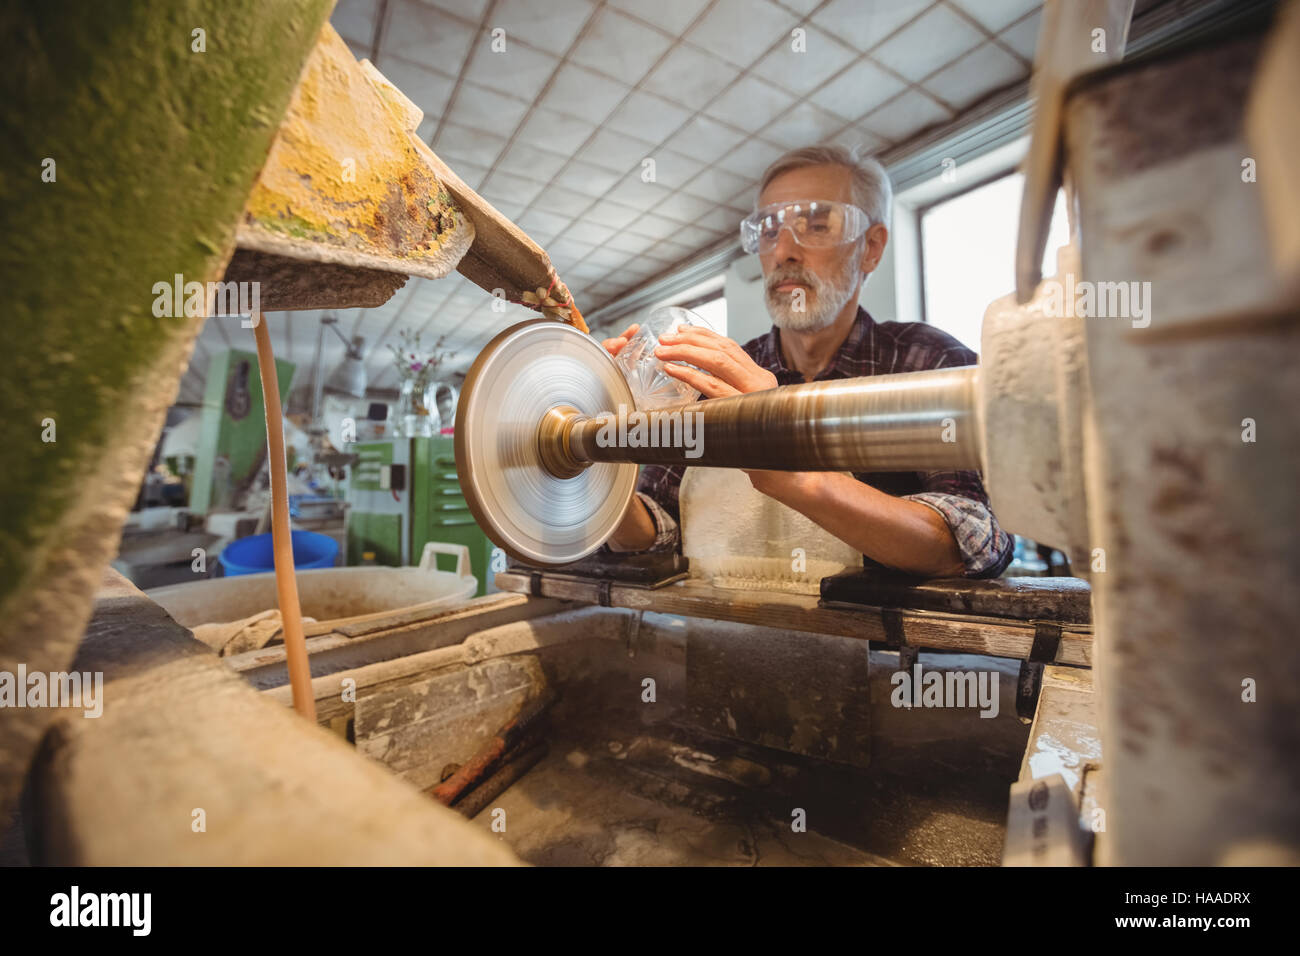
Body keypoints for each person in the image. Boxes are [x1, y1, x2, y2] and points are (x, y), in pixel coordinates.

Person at [601, 145, 1012, 579]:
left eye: (816, 225)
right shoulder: (717, 378)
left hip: (881, 646)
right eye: (768, 230)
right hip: (722, 635)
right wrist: (604, 467)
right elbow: (657, 532)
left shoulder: (927, 362)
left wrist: (796, 472)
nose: (784, 252)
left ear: (871, 248)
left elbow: (973, 542)